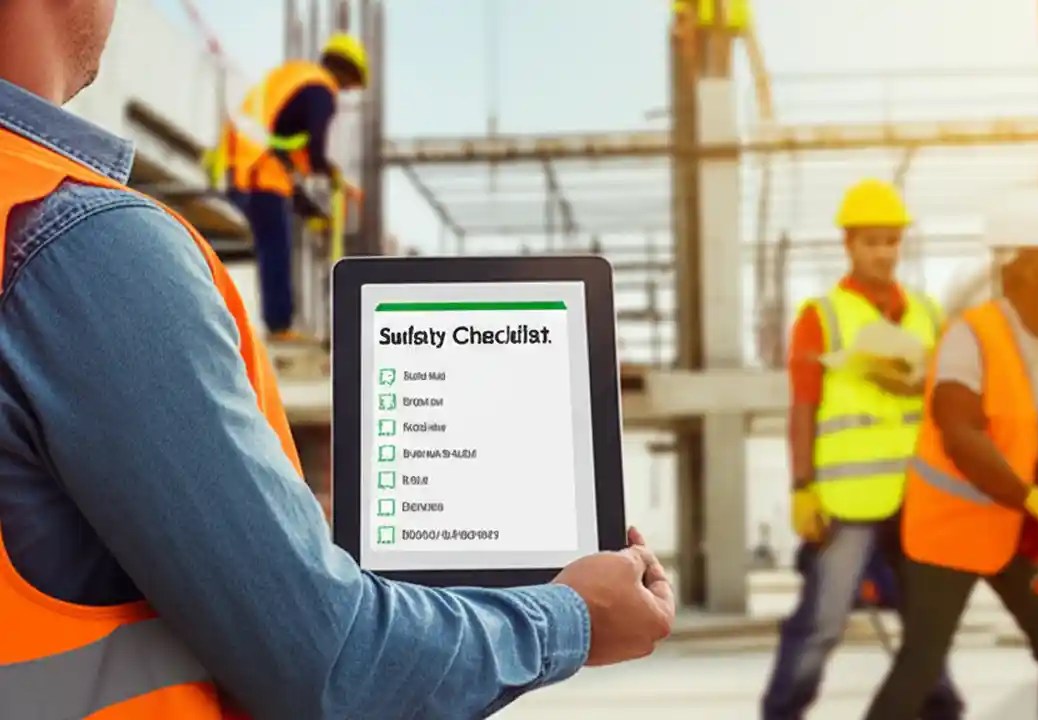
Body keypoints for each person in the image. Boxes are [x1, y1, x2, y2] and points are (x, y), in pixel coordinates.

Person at [0, 3, 673, 718]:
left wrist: (272, 538)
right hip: (260, 175)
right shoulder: (82, 248)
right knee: (285, 266)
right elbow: (336, 666)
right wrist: (573, 617)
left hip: (250, 169)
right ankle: (288, 321)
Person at [862, 187, 1038, 720]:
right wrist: (1034, 503)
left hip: (1014, 530)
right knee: (921, 663)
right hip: (950, 529)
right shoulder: (970, 337)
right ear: (1030, 267)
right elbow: (960, 435)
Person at [760, 179, 964, 719]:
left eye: (892, 241)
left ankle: (939, 709)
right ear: (849, 245)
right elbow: (803, 406)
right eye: (872, 241)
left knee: (926, 623)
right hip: (847, 502)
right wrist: (802, 487)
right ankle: (783, 711)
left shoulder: (926, 314)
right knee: (823, 624)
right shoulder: (821, 317)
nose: (884, 253)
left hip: (918, 497)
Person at [216, 32, 367, 341]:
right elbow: (315, 154)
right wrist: (341, 183)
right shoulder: (321, 89)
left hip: (245, 168)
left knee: (272, 243)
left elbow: (288, 157)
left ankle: (277, 323)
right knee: (276, 247)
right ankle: (280, 326)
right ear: (347, 73)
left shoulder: (296, 79)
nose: (347, 91)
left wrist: (307, 207)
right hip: (257, 172)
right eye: (351, 84)